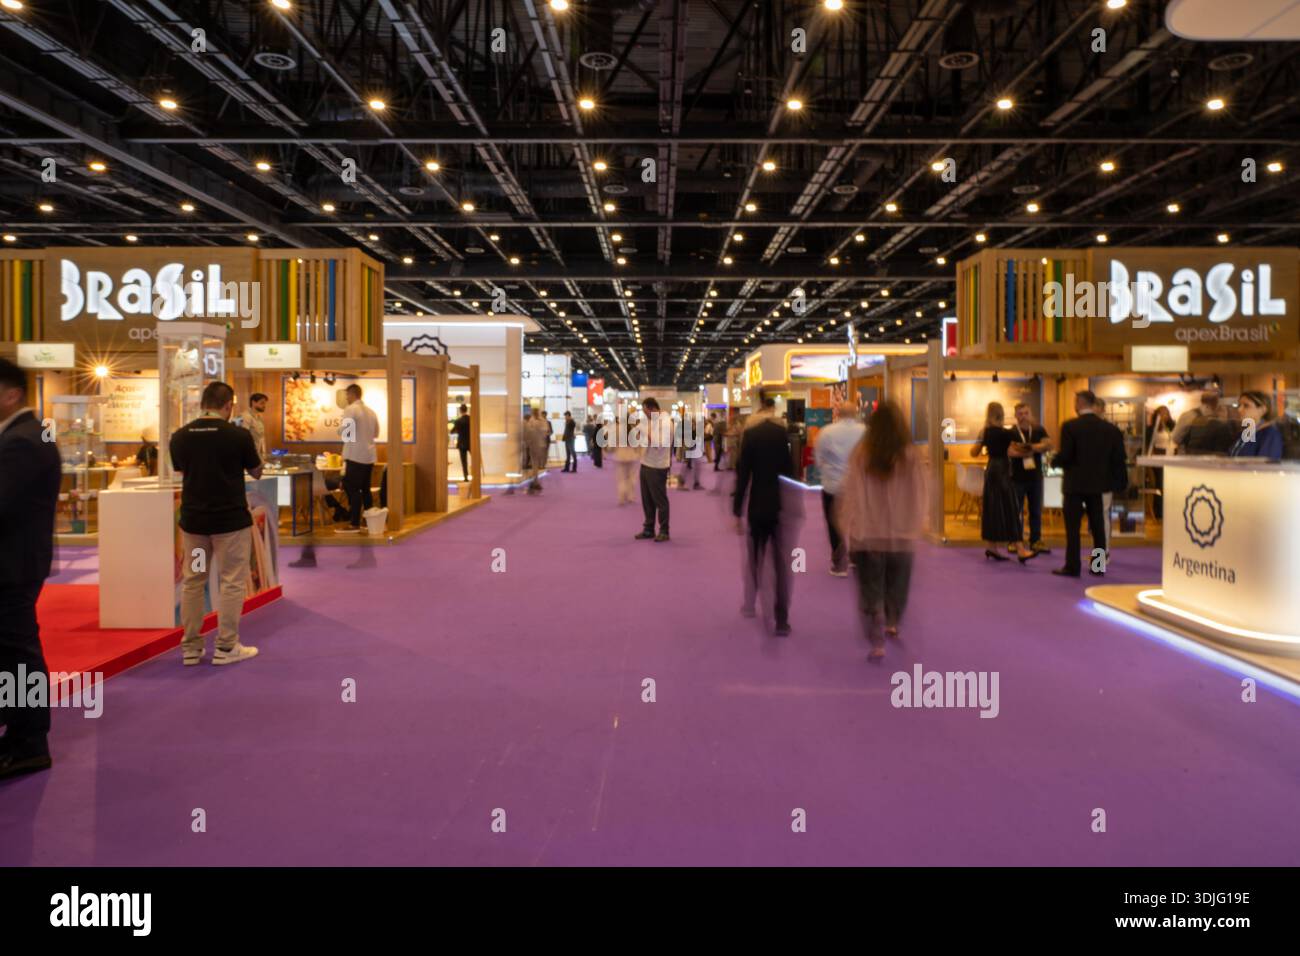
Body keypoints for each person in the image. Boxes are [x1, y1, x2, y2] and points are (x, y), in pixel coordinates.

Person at [168, 380, 262, 666]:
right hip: (229, 524)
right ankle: (226, 646)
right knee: (232, 581)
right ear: (228, 405)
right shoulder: (238, 435)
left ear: (202, 404)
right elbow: (257, 472)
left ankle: (191, 647)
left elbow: (181, 470)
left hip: (195, 525)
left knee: (194, 581)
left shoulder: (180, 436)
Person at [0, 357, 62, 779]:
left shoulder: (22, 440)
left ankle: (29, 742)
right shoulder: (28, 433)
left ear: (11, 394)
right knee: (13, 652)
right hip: (19, 561)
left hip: (12, 565)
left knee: (18, 654)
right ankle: (21, 735)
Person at [835, 400, 926, 662]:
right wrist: (918, 523)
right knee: (897, 584)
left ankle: (876, 636)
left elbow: (851, 493)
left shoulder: (862, 454)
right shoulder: (910, 456)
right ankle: (893, 621)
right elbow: (921, 493)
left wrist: (845, 524)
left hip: (868, 533)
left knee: (870, 586)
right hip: (901, 535)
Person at [733, 400, 795, 635]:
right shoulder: (781, 435)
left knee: (754, 559)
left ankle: (750, 604)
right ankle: (782, 620)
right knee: (781, 564)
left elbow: (743, 476)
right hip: (778, 506)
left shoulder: (750, 435)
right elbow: (789, 473)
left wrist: (737, 511)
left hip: (757, 507)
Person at [1052, 389, 1127, 578]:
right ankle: (1098, 566)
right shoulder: (1110, 429)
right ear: (1093, 404)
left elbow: (1066, 456)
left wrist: (1055, 461)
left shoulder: (1070, 427)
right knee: (1098, 528)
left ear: (1079, 403)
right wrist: (1116, 482)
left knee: (1073, 528)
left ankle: (1072, 566)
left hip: (1074, 485)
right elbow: (1119, 458)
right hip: (1098, 485)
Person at [971, 402, 1036, 563]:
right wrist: (1029, 449)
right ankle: (1020, 550)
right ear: (1001, 415)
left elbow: (974, 453)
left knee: (991, 508)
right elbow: (1022, 448)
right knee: (1011, 508)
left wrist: (983, 442)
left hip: (990, 470)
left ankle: (992, 547)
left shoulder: (984, 432)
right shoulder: (1006, 433)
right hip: (1002, 471)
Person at [813, 401, 866, 576]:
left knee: (833, 522)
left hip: (832, 485)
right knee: (857, 521)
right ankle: (856, 557)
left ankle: (839, 563)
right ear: (855, 413)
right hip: (857, 485)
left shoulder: (826, 432)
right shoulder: (865, 431)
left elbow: (818, 459)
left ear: (838, 413)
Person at [1008, 402, 1052, 554]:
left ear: (1031, 414)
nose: (1023, 417)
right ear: (1015, 416)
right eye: (1020, 414)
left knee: (1036, 511)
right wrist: (1032, 450)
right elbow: (1010, 451)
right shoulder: (1011, 432)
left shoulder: (1039, 429)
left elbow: (1048, 445)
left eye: (1026, 413)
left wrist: (1027, 447)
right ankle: (1015, 541)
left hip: (1035, 477)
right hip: (1016, 478)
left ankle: (1036, 541)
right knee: (1016, 511)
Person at [335, 384, 379, 534]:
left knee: (352, 488)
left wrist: (339, 430)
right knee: (365, 489)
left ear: (352, 394)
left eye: (347, 395)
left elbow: (346, 434)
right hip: (369, 455)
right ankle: (369, 521)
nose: (346, 398)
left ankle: (354, 523)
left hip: (355, 455)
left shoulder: (351, 409)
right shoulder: (371, 412)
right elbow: (376, 433)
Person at [634, 397, 673, 542]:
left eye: (646, 412)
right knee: (647, 500)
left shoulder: (666, 422)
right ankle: (648, 529)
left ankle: (664, 531)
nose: (645, 415)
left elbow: (659, 445)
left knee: (660, 500)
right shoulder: (651, 420)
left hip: (658, 466)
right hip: (646, 463)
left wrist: (645, 432)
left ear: (653, 409)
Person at [1173, 389, 1234, 455]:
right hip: (1212, 458)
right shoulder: (1220, 418)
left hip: (1190, 457)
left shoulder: (1188, 416)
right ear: (1216, 402)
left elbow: (1176, 438)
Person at [1230, 390, 1284, 459]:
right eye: (1239, 405)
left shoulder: (1270, 434)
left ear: (1262, 410)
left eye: (1246, 406)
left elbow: (1265, 463)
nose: (1239, 409)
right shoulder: (1244, 432)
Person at [1146, 404, 1175, 520]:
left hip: (1170, 458)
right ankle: (1159, 511)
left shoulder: (1172, 427)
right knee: (1160, 483)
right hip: (1157, 459)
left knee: (1170, 484)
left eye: (1166, 413)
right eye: (1161, 414)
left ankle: (1170, 509)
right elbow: (1149, 444)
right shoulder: (1151, 429)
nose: (1164, 416)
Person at [608, 413, 640, 504]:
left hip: (619, 456)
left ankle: (621, 497)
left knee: (621, 478)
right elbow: (637, 444)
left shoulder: (616, 429)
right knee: (631, 477)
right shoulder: (633, 429)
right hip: (632, 456)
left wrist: (610, 450)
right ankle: (631, 496)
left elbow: (611, 443)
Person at [523, 408, 551, 493]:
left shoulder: (539, 421)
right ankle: (535, 482)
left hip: (538, 445)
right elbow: (528, 433)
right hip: (534, 445)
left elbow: (545, 431)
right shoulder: (535, 421)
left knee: (535, 464)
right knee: (535, 464)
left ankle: (534, 482)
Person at [240, 392, 268, 463]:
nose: (264, 406)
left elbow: (261, 438)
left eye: (265, 403)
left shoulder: (259, 417)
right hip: (248, 456)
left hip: (257, 455)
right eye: (262, 403)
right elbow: (243, 438)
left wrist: (263, 455)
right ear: (253, 402)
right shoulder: (245, 416)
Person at [450, 403, 471, 481]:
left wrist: (458, 431)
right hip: (470, 442)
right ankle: (476, 475)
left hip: (461, 443)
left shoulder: (458, 421)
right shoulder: (471, 419)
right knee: (475, 459)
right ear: (466, 410)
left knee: (464, 461)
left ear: (460, 411)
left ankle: (466, 477)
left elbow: (452, 431)